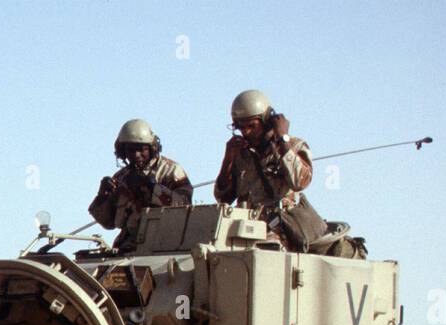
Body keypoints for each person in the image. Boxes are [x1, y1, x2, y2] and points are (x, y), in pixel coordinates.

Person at [214, 90, 366, 259]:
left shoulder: (293, 146)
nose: (246, 132)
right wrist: (228, 159)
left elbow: (300, 181)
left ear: (267, 120)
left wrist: (283, 140)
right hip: (247, 230)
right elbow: (223, 198)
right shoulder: (241, 154)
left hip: (283, 232)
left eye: (251, 126)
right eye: (241, 127)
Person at [88, 119, 192, 251]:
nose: (136, 155)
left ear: (152, 148)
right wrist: (102, 196)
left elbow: (185, 206)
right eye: (131, 150)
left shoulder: (170, 171)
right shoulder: (121, 177)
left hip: (163, 245)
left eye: (141, 149)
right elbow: (108, 223)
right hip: (126, 248)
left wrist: (151, 187)